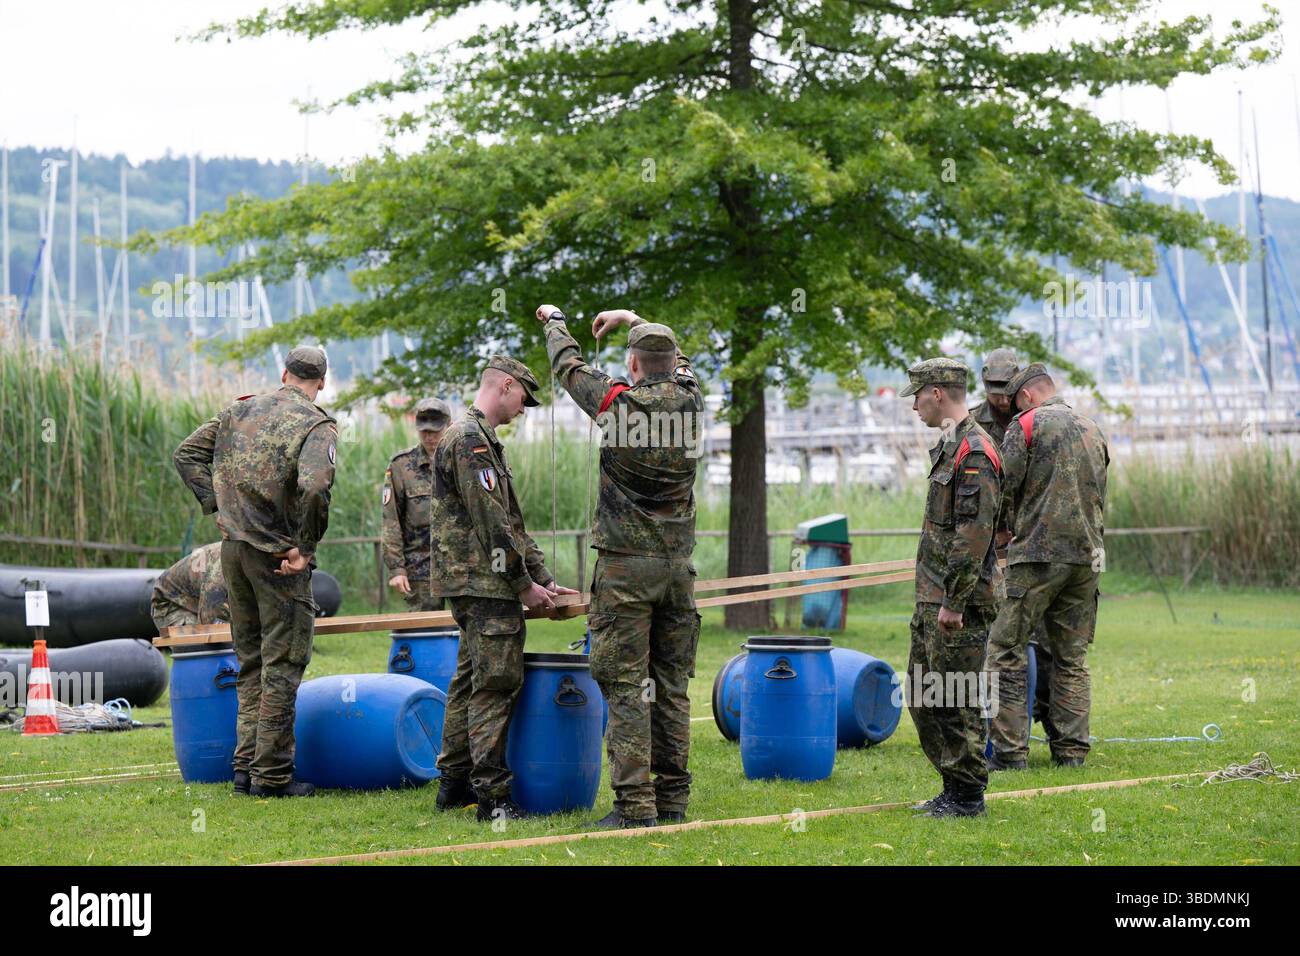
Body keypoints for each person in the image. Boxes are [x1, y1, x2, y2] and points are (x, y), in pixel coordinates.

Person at [536, 304, 703, 829]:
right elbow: (680, 359)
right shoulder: (694, 401)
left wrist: (554, 321)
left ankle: (635, 807)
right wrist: (636, 319)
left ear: (632, 365)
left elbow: (568, 368)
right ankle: (673, 800)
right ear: (672, 361)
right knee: (671, 686)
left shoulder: (617, 405)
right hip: (678, 570)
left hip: (626, 570)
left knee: (626, 685)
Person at [173, 346, 337, 798]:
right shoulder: (315, 423)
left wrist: (218, 505)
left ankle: (244, 768)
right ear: (321, 381)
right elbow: (317, 486)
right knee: (283, 664)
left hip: (234, 551)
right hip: (279, 557)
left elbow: (185, 455)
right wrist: (304, 547)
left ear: (283, 373)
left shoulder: (237, 411)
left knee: (250, 663)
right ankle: (271, 776)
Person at [430, 355, 577, 822]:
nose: (524, 410)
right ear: (506, 386)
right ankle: (492, 798)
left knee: (470, 679)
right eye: (523, 399)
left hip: (476, 581)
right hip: (486, 584)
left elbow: (512, 521)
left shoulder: (480, 439)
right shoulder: (471, 440)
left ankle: (453, 784)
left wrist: (546, 578)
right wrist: (522, 584)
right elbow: (493, 525)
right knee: (496, 684)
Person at [986, 363, 1109, 770]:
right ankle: (1071, 752)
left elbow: (1004, 488)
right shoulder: (1093, 428)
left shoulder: (1024, 426)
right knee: (1071, 658)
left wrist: (1002, 534)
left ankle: (1009, 753)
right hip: (1087, 559)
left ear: (1027, 397)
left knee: (1006, 648)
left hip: (1036, 557)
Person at [900, 358, 1003, 818]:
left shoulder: (974, 451)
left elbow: (973, 533)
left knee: (954, 696)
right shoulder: (950, 445)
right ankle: (951, 786)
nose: (915, 407)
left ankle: (967, 796)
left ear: (937, 393)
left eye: (918, 396)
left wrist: (954, 601)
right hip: (933, 595)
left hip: (956, 600)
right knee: (922, 693)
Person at [383, 397, 452, 611]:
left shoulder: (463, 462)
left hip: (463, 567)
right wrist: (397, 569)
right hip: (421, 570)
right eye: (424, 431)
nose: (430, 436)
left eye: (435, 430)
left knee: (467, 636)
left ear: (449, 426)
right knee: (424, 635)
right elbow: (390, 521)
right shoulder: (401, 466)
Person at [150, 542, 231, 652]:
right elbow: (211, 622)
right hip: (172, 603)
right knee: (207, 651)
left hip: (198, 597)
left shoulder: (250, 554)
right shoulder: (220, 573)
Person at [969, 348, 1020, 447]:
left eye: (1009, 394)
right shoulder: (971, 423)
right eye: (996, 394)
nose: (1004, 401)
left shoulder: (1033, 419)